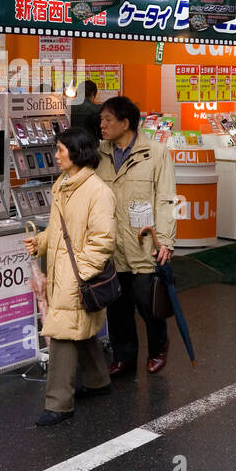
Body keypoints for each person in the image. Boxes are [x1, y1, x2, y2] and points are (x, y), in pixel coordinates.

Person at [24, 127, 115, 425]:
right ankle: (98, 381)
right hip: (64, 272)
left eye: (61, 150)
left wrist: (81, 276)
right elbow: (56, 228)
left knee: (63, 332)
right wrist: (41, 243)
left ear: (77, 152)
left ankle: (58, 404)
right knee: (81, 325)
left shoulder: (98, 192)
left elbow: (102, 240)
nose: (56, 156)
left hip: (75, 276)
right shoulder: (63, 185)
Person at [97, 95, 176, 377]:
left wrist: (166, 239)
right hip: (112, 243)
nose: (102, 124)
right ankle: (124, 357)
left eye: (108, 119)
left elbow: (166, 199)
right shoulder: (99, 153)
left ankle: (158, 348)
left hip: (145, 242)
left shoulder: (155, 153)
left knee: (147, 301)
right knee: (117, 305)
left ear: (125, 123)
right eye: (101, 119)